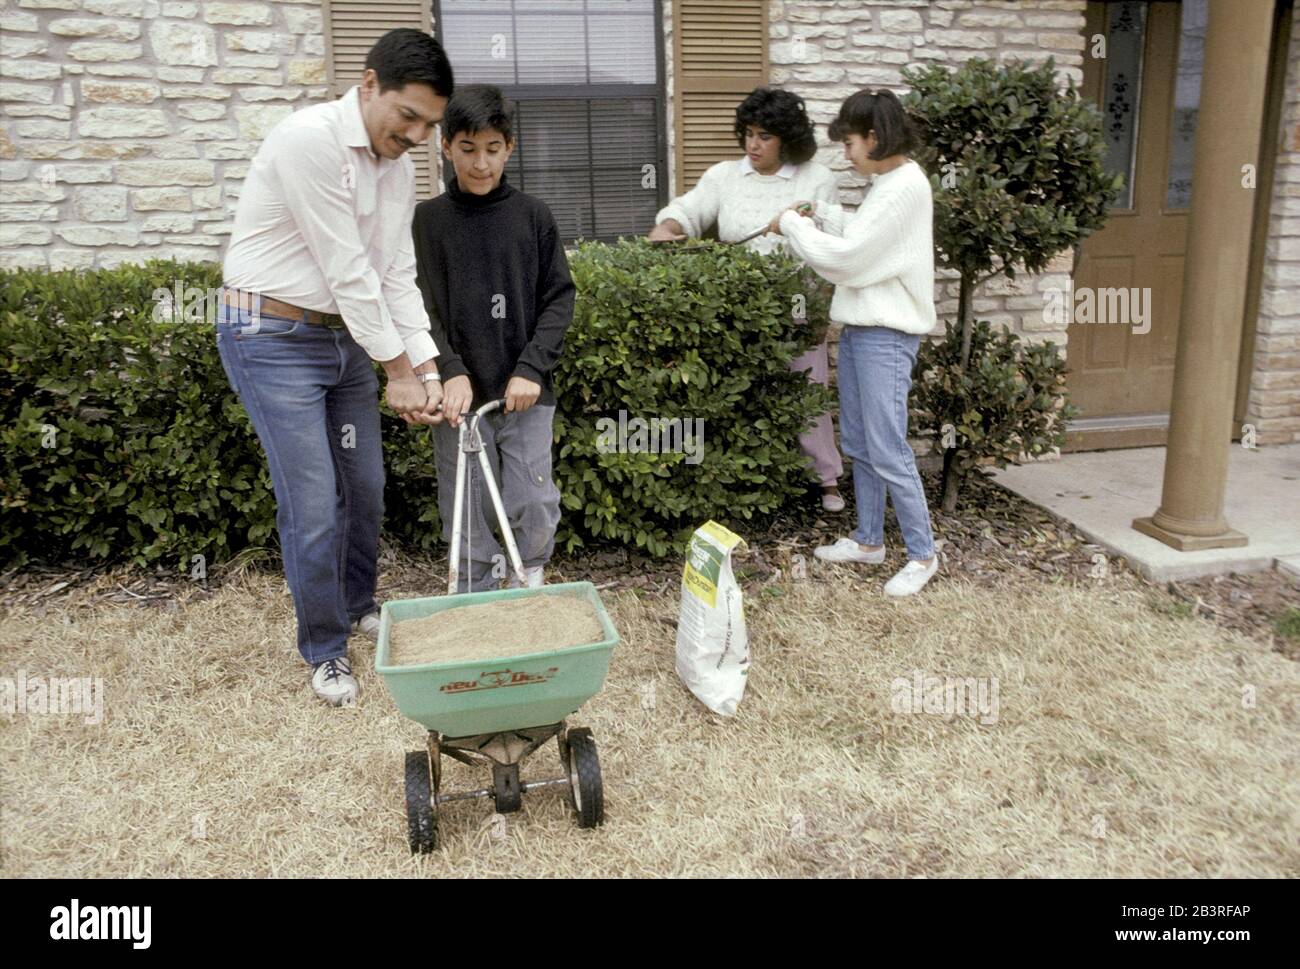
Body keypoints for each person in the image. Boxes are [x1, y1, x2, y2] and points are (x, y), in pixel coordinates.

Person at [217, 29, 453, 706]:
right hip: (269, 336)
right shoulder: (309, 140)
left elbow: (393, 273)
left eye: (428, 124)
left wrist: (427, 368)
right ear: (369, 83)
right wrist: (398, 370)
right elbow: (346, 267)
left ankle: (356, 603)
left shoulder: (398, 168)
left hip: (345, 341)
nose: (414, 134)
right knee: (314, 500)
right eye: (407, 115)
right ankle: (324, 648)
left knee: (367, 485)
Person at [771, 88, 941, 598]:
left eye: (849, 143)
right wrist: (820, 215)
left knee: (888, 449)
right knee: (862, 445)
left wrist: (795, 227)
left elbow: (851, 260)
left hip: (886, 336)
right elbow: (865, 237)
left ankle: (922, 554)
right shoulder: (888, 183)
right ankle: (869, 542)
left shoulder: (905, 186)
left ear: (874, 136)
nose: (846, 154)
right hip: (865, 331)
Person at [647, 87, 846, 512]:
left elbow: (833, 245)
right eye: (749, 134)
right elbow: (689, 209)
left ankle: (825, 478)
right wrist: (668, 226)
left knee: (805, 391)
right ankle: (748, 482)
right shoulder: (724, 176)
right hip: (738, 307)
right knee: (740, 395)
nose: (753, 145)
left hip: (798, 305)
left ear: (787, 140)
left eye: (765, 137)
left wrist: (822, 308)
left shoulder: (818, 180)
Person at [412, 85, 575, 593]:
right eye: (467, 149)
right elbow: (421, 308)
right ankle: (475, 593)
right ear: (445, 147)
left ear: (510, 147)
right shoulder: (429, 221)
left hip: (525, 393)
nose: (480, 164)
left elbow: (559, 299)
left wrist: (531, 369)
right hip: (459, 396)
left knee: (531, 496)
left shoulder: (533, 216)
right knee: (467, 502)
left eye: (492, 149)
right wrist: (449, 368)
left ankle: (529, 579)